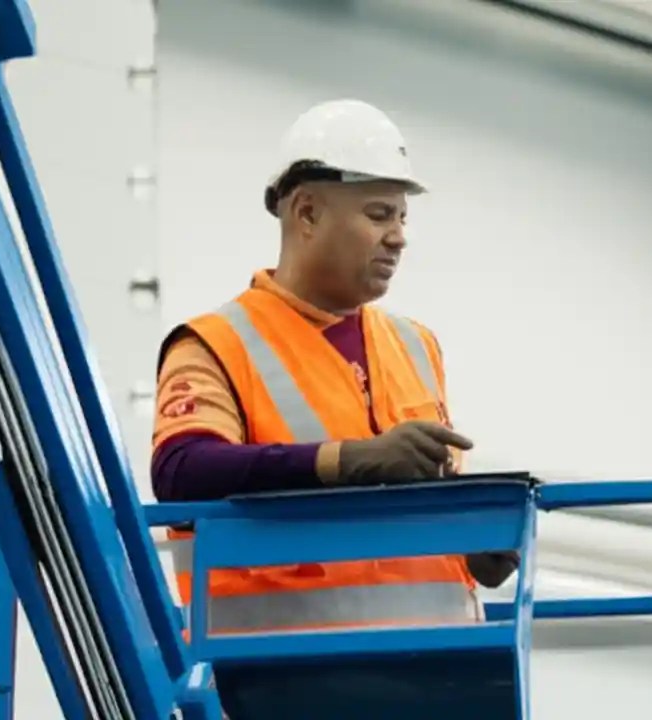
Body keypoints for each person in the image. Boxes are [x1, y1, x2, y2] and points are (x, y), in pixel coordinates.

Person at [151, 98, 518, 637]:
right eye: (378, 214)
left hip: (433, 674)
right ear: (306, 213)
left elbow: (409, 517)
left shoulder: (416, 346)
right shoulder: (216, 344)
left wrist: (470, 546)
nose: (398, 236)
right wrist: (345, 461)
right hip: (273, 678)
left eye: (402, 216)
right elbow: (183, 472)